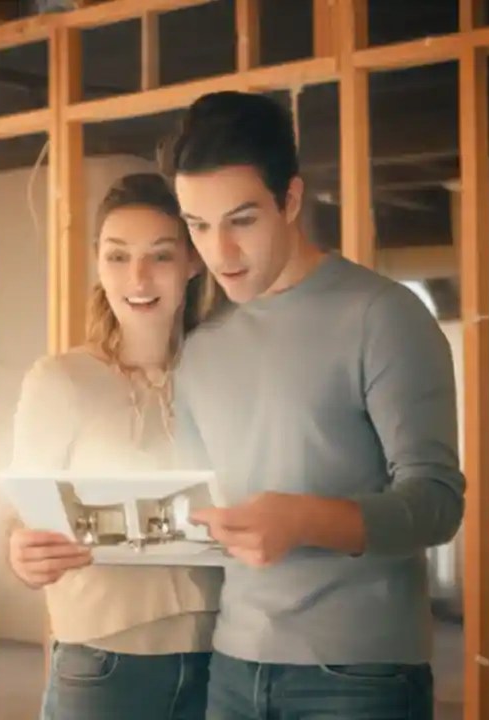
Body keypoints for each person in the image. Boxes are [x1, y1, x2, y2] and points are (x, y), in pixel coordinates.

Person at [166, 91, 465, 719]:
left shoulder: (382, 316)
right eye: (198, 225)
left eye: (241, 220)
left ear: (291, 200)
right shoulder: (201, 350)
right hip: (231, 667)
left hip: (359, 675)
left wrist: (303, 519)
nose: (219, 252)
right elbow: (197, 516)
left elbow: (437, 503)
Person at [6, 172, 225, 720]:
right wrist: (22, 551)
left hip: (225, 656)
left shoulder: (226, 373)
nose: (139, 277)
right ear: (98, 263)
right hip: (104, 660)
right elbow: (22, 516)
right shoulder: (61, 380)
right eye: (118, 256)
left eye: (160, 256)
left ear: (193, 261)